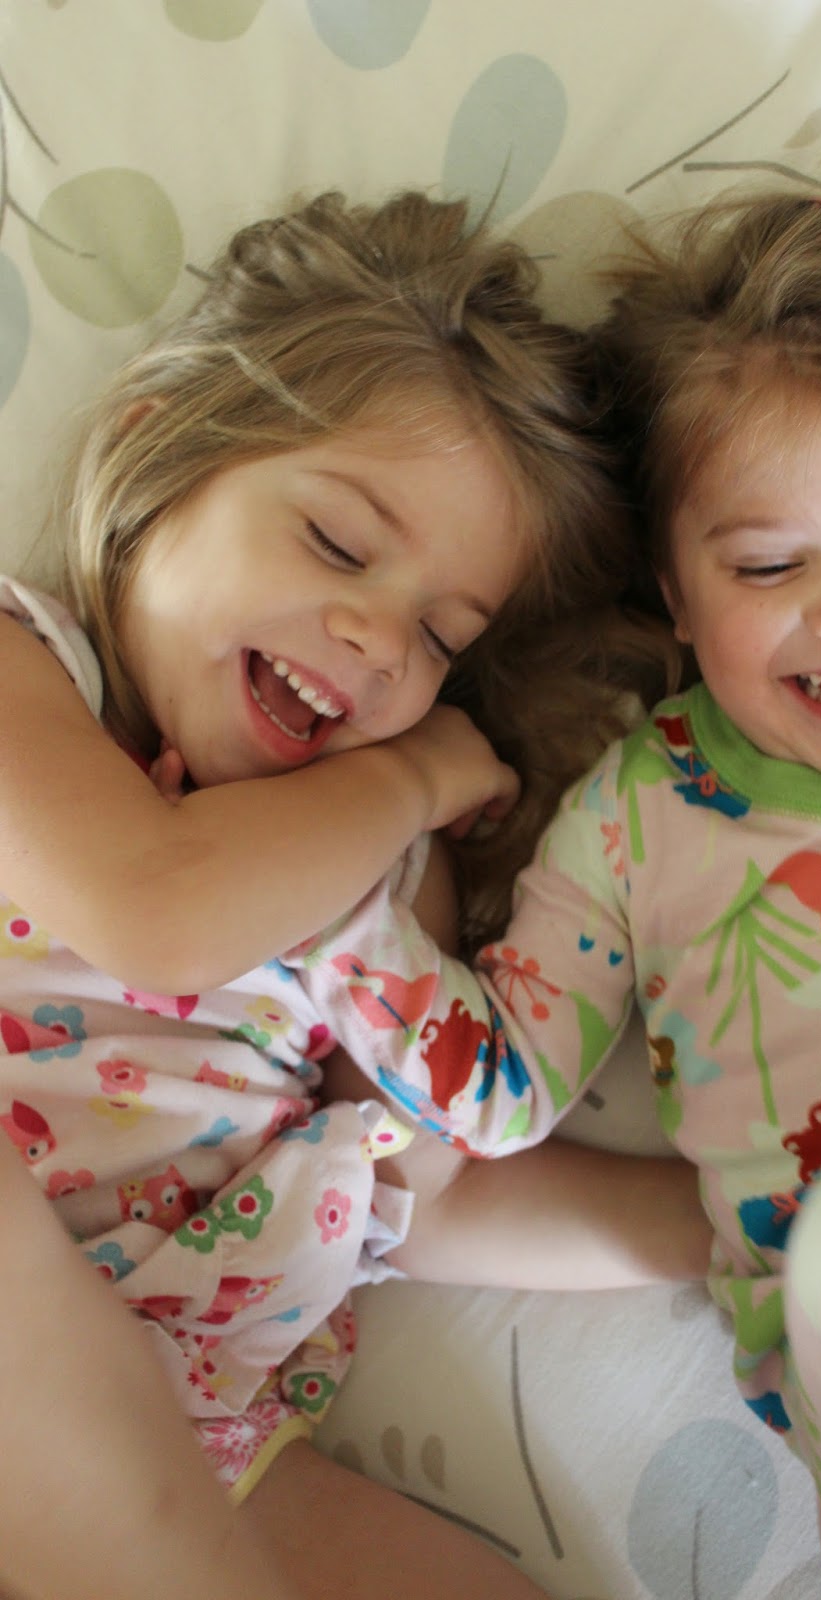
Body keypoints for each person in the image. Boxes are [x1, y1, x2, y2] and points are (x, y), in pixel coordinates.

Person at [327, 193, 821, 1597]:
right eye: (771, 565)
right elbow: (498, 1089)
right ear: (669, 587)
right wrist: (334, 928)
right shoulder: (644, 816)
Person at [0, 188, 712, 1600]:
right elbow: (155, 907)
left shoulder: (384, 884)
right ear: (158, 455)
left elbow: (409, 1189)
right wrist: (404, 783)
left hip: (194, 1426)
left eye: (444, 636)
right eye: (335, 543)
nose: (376, 638)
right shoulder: (30, 679)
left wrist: (718, 1219)